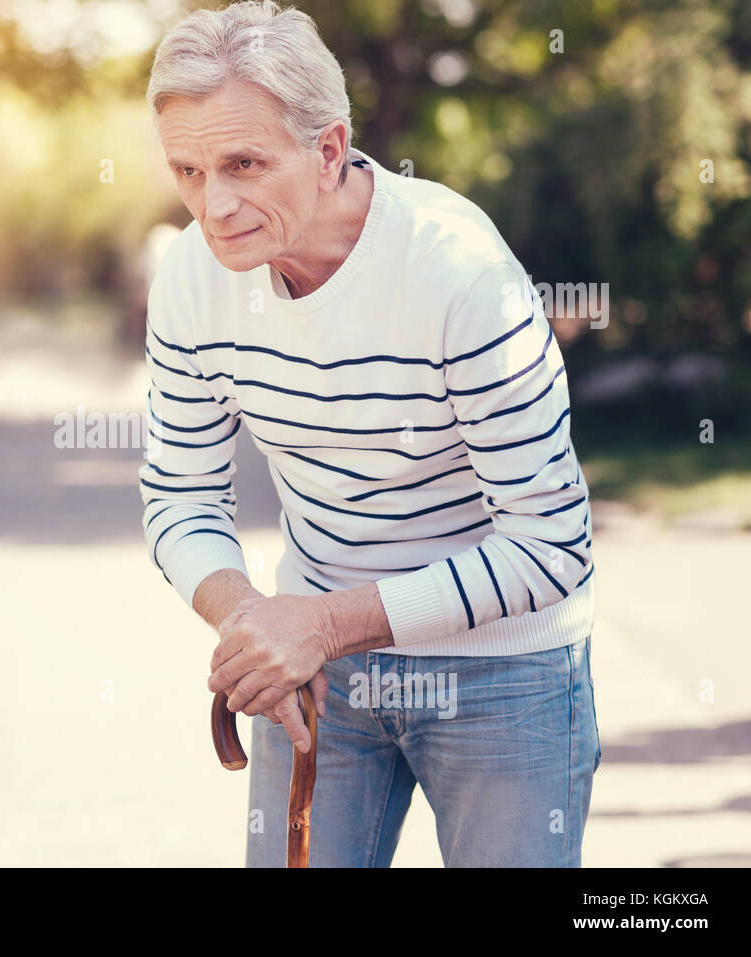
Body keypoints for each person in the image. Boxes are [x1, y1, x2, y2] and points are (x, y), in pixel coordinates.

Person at [138, 0, 601, 867]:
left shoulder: (458, 271)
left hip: (504, 673)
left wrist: (321, 623)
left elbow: (552, 547)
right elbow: (179, 495)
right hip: (319, 672)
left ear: (328, 150)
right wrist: (254, 623)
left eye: (243, 164)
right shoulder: (192, 278)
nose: (215, 206)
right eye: (189, 171)